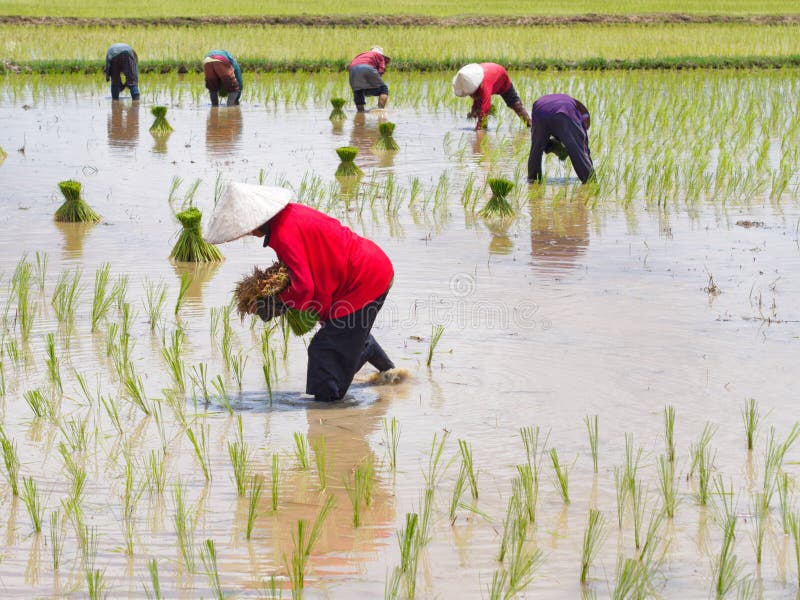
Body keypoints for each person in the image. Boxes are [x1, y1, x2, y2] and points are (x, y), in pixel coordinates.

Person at [204, 182, 397, 402]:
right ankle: (391, 374)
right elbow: (308, 269)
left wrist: (277, 302)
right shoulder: (290, 215)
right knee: (341, 333)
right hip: (368, 268)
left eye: (247, 229)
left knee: (324, 350)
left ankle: (328, 414)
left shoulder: (284, 233)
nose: (248, 233)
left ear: (257, 221)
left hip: (364, 279)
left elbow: (304, 288)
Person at [527, 94, 595, 184]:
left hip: (538, 110)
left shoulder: (569, 102)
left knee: (536, 147)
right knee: (577, 149)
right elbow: (583, 149)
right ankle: (590, 181)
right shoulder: (578, 117)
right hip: (562, 113)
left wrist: (551, 146)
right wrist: (591, 172)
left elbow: (540, 136)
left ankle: (533, 180)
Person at [453, 63, 531, 130]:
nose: (470, 96)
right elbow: (478, 102)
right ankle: (484, 128)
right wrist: (473, 111)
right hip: (488, 73)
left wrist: (479, 129)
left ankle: (531, 126)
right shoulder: (472, 80)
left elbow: (486, 107)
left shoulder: (484, 85)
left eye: (471, 93)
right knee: (478, 109)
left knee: (516, 106)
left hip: (501, 79)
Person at [348, 46, 390, 112]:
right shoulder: (379, 56)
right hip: (367, 67)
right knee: (384, 89)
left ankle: (360, 112)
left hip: (352, 70)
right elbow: (382, 69)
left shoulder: (361, 55)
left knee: (358, 90)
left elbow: (351, 66)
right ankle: (380, 111)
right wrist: (377, 79)